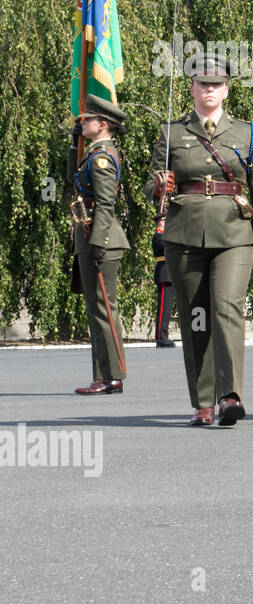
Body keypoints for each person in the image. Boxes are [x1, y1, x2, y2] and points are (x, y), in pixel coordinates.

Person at [148, 54, 253, 426]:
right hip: (184, 235)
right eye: (202, 84)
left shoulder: (246, 133)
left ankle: (230, 395)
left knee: (226, 309)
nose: (209, 91)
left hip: (234, 234)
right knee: (196, 316)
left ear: (226, 90)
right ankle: (203, 401)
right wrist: (158, 186)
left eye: (216, 85)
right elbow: (149, 185)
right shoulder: (172, 132)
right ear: (192, 88)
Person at [71, 95, 130, 394]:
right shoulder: (92, 154)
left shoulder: (103, 158)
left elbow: (106, 203)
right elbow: (74, 182)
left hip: (101, 237)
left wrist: (98, 243)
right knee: (97, 309)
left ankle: (112, 376)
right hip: (91, 235)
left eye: (86, 120)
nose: (82, 123)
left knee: (105, 309)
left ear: (102, 124)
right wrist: (73, 147)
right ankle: (104, 375)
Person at [151, 216, 177, 347]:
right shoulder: (158, 236)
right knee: (163, 309)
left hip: (170, 274)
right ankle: (161, 338)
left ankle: (163, 336)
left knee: (167, 309)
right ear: (161, 222)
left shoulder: (164, 236)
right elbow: (167, 245)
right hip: (165, 274)